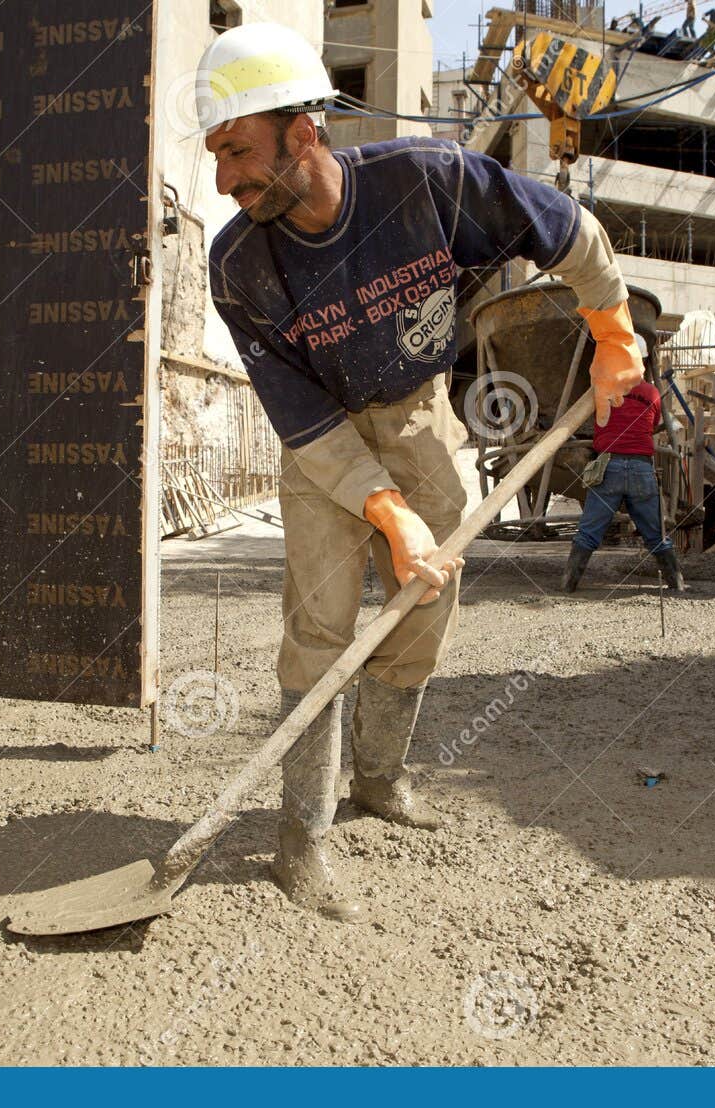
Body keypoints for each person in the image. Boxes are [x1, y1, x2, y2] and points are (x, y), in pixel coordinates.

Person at [197, 23, 643, 921]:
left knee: (430, 591)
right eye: (213, 154)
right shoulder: (239, 265)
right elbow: (304, 421)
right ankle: (301, 840)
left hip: (417, 406)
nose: (223, 180)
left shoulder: (429, 184)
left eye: (238, 149)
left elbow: (572, 231)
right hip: (322, 436)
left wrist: (613, 334)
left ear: (304, 130)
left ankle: (379, 780)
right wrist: (385, 509)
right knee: (321, 626)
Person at [561, 341, 686, 593]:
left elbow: (590, 415)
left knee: (588, 532)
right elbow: (651, 425)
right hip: (642, 468)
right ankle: (677, 585)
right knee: (656, 535)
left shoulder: (603, 386)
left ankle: (567, 586)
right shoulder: (651, 392)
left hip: (610, 466)